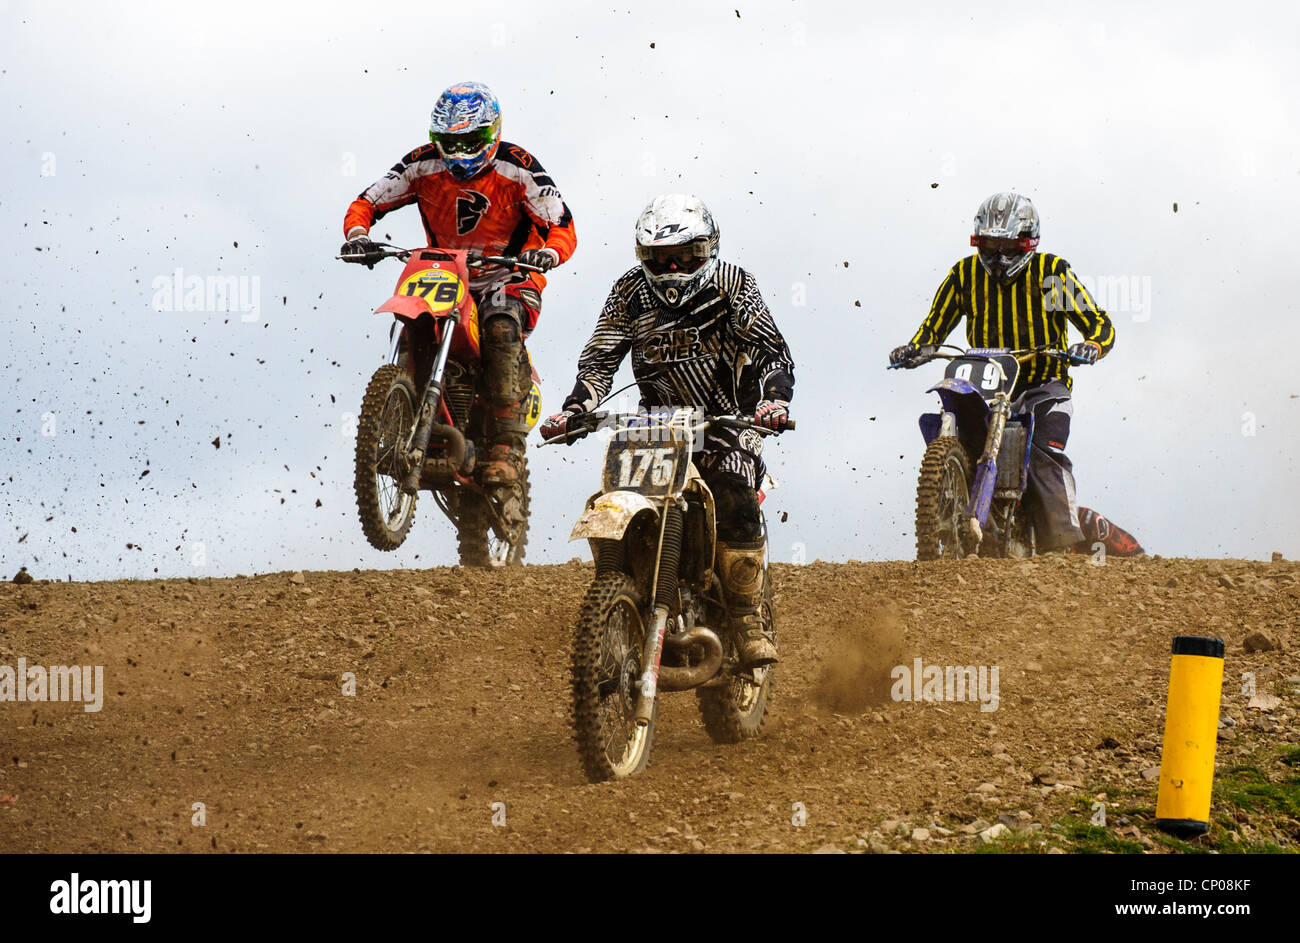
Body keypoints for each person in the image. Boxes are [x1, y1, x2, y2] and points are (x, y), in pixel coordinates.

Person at [541, 194, 795, 667]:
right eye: (661, 258)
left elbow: (770, 352)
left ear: (706, 249)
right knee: (610, 498)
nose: (672, 266)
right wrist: (576, 407)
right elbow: (600, 359)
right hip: (655, 426)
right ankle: (625, 599)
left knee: (735, 498)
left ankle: (745, 616)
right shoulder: (629, 292)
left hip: (727, 421)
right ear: (645, 257)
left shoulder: (731, 284)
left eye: (683, 255)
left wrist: (774, 399)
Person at [339, 81, 576, 486]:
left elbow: (562, 222)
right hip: (448, 274)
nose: (460, 152)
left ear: (492, 133)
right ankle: (405, 410)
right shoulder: (421, 164)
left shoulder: (518, 166)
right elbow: (369, 201)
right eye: (450, 142)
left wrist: (548, 253)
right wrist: (358, 235)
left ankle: (506, 448)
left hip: (511, 274)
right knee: (416, 321)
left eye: (470, 141)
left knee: (500, 324)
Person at [889, 191, 1119, 554]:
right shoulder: (965, 274)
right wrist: (915, 348)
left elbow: (1099, 323)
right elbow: (934, 327)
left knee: (1043, 452)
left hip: (1043, 386)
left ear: (1027, 244)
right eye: (990, 246)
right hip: (983, 385)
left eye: (1007, 247)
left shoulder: (1051, 274)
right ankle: (953, 502)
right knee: (956, 423)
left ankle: (1060, 547)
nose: (998, 257)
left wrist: (1091, 345)